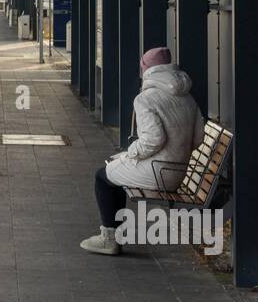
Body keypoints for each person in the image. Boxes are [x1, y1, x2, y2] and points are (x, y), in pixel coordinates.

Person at [81, 47, 205, 256]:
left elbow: (153, 140)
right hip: (179, 172)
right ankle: (115, 236)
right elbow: (198, 139)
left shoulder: (145, 99)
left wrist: (131, 153)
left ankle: (109, 239)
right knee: (115, 173)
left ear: (145, 69)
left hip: (157, 172)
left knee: (103, 176)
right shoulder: (188, 98)